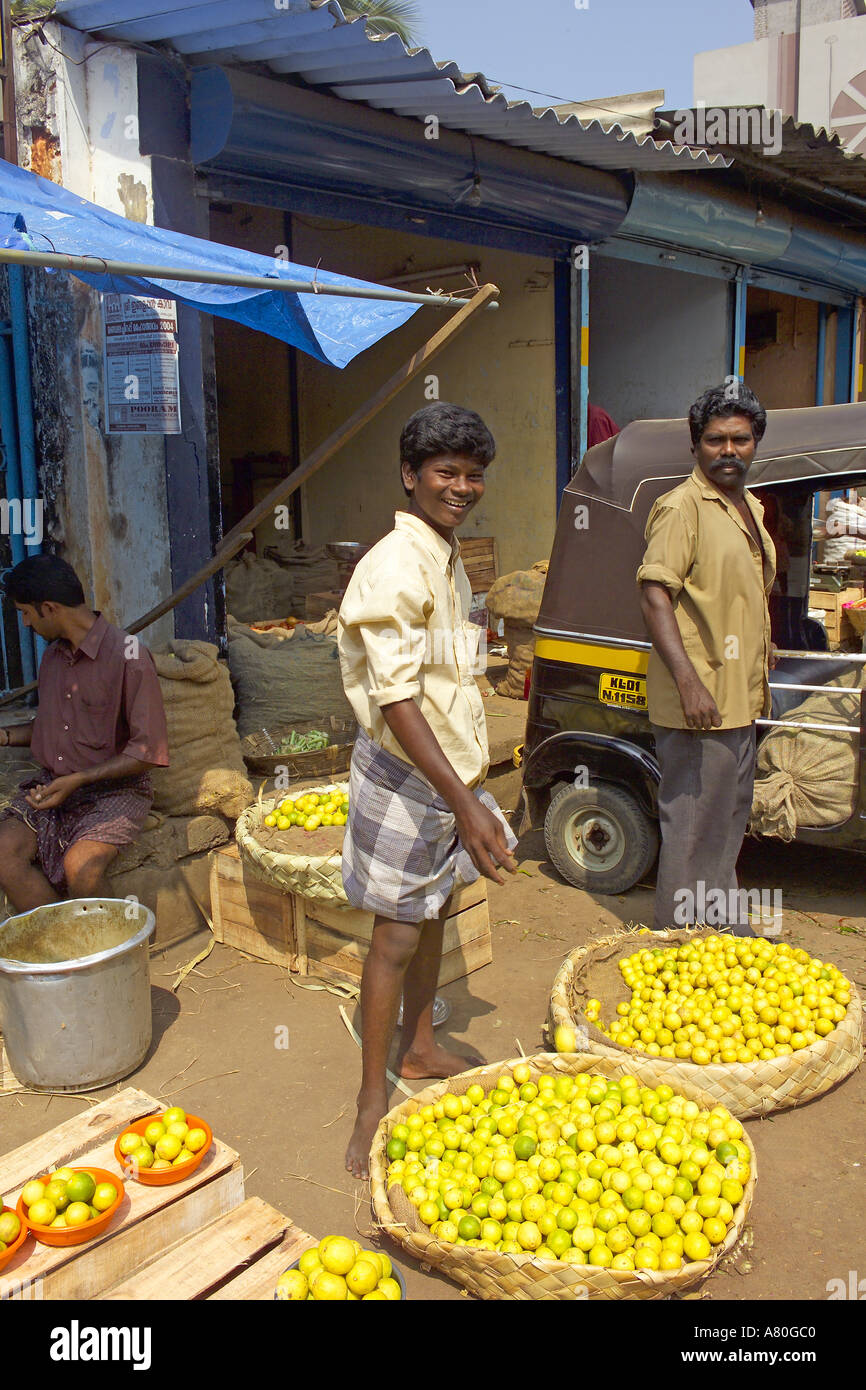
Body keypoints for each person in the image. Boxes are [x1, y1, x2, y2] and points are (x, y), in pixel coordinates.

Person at [337, 401, 518, 1178]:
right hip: (412, 778)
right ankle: (370, 1101)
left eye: (474, 476)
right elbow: (396, 698)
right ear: (410, 476)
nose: (462, 487)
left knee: (438, 903)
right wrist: (464, 800)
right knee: (396, 933)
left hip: (451, 775)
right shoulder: (393, 565)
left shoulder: (445, 552)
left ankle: (417, 1048)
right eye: (446, 473)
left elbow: (444, 673)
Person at [637, 383, 776, 936]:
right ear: (696, 445)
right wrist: (690, 682)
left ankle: (718, 935)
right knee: (693, 829)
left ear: (755, 442)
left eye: (740, 439)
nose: (728, 450)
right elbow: (654, 595)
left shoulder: (749, 506)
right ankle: (676, 948)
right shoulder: (681, 508)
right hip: (701, 705)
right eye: (715, 440)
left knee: (724, 824)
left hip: (739, 698)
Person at [0, 555, 169, 911]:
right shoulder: (53, 658)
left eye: (25, 613)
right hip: (54, 784)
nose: (26, 623)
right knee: (3, 854)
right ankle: (62, 954)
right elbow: (52, 728)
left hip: (115, 791)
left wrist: (79, 779)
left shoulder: (129, 655)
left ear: (48, 607)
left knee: (81, 867)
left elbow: (146, 751)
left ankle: (112, 957)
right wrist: (3, 736)